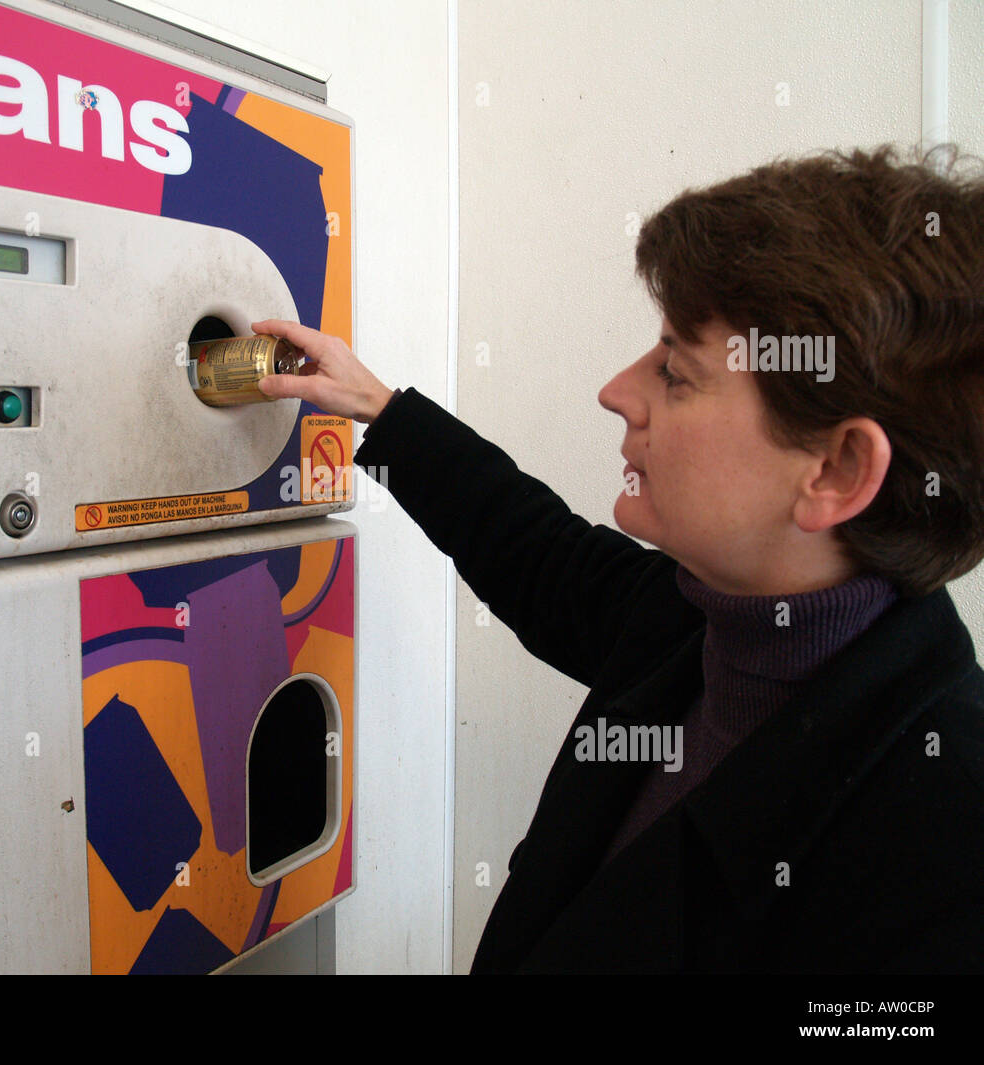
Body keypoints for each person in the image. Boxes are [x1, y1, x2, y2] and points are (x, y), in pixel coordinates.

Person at [252, 144, 984, 973]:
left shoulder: (946, 846)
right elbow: (532, 549)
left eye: (676, 371)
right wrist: (377, 409)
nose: (616, 391)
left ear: (837, 469)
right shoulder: (691, 618)